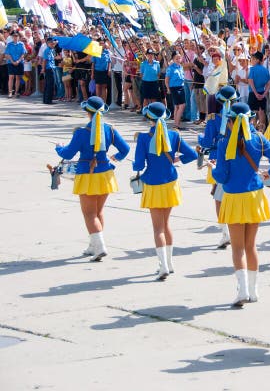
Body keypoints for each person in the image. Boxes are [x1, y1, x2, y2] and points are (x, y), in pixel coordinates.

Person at [212, 102, 270, 307]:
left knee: (237, 248)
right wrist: (268, 174)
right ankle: (254, 291)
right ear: (250, 119)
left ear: (230, 121)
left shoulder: (224, 143)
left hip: (234, 196)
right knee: (251, 245)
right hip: (254, 194)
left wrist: (212, 170)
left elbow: (221, 175)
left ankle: (243, 289)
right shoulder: (259, 140)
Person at [55, 96, 130, 261]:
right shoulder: (110, 129)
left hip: (87, 175)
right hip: (105, 173)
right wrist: (115, 157)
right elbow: (125, 148)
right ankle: (93, 245)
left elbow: (68, 153)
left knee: (89, 214)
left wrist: (58, 148)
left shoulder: (82, 132)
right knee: (98, 212)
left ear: (87, 112)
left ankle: (100, 247)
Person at [132, 102, 197, 279]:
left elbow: (138, 165)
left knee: (157, 228)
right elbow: (192, 155)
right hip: (170, 182)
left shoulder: (144, 138)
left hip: (153, 183)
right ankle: (170, 262)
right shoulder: (174, 136)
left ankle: (163, 266)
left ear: (148, 118)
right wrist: (177, 160)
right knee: (166, 224)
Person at [198, 86, 240, 248]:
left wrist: (200, 138)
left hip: (217, 158)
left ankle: (225, 233)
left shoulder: (214, 118)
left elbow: (208, 142)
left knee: (218, 197)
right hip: (237, 158)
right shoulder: (239, 116)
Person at [246, 51, 270, 131]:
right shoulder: (265, 70)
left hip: (253, 93)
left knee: (252, 112)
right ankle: (261, 130)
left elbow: (251, 81)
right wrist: (264, 94)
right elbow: (268, 83)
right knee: (261, 111)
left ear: (257, 60)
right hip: (262, 93)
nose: (251, 61)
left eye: (253, 59)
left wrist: (256, 93)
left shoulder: (252, 69)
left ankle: (252, 129)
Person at [165, 51, 187, 130]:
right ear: (173, 59)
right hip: (174, 88)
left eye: (179, 58)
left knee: (177, 106)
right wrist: (168, 89)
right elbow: (166, 80)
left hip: (181, 87)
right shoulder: (170, 68)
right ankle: (176, 124)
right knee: (182, 105)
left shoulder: (180, 67)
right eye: (176, 58)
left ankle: (176, 124)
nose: (178, 60)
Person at [5, 30, 25, 97]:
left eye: (16, 36)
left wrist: (18, 61)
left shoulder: (21, 44)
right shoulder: (9, 44)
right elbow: (7, 54)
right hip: (11, 62)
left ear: (18, 37)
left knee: (18, 77)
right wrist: (12, 61)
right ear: (12, 37)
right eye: (14, 36)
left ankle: (16, 92)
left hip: (19, 62)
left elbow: (23, 53)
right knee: (11, 77)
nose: (15, 37)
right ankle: (10, 92)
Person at [41, 37, 57, 104]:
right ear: (48, 44)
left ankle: (46, 100)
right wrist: (43, 68)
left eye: (53, 43)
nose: (53, 45)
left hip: (52, 68)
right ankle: (48, 100)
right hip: (49, 68)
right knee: (50, 84)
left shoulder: (52, 50)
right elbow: (45, 60)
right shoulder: (47, 50)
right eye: (51, 43)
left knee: (49, 84)